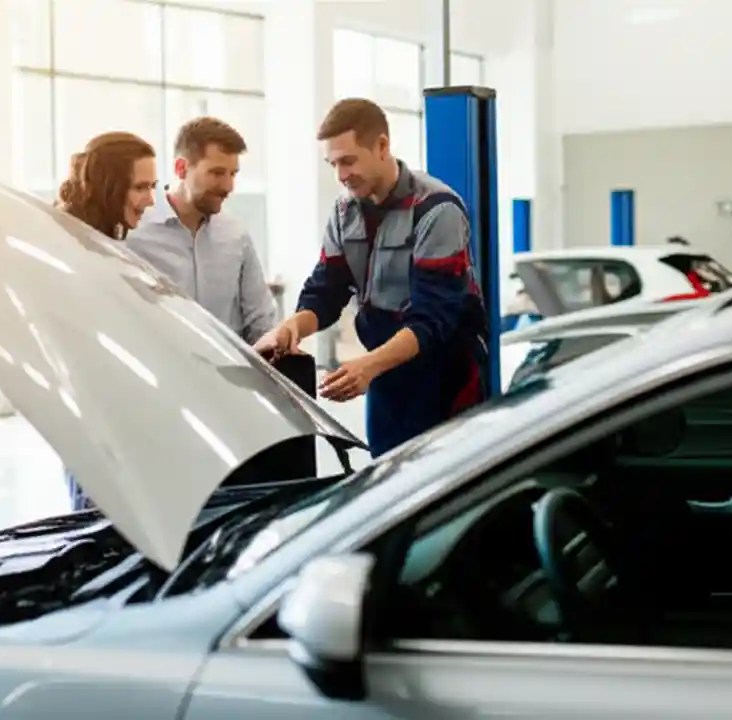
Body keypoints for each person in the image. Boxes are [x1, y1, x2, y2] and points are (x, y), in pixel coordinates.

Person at [254, 98, 489, 458]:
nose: (341, 175)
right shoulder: (344, 210)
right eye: (332, 164)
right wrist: (291, 329)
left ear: (382, 146)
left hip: (446, 380)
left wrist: (366, 367)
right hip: (387, 376)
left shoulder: (437, 209)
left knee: (445, 490)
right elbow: (327, 289)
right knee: (389, 483)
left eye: (348, 161)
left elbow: (432, 319)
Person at [53, 130, 158, 511]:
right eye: (140, 187)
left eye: (153, 186)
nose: (150, 199)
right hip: (97, 425)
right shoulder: (72, 248)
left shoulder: (105, 244)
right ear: (111, 186)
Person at [125, 117, 277, 343]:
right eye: (217, 173)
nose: (228, 186)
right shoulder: (134, 233)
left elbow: (261, 322)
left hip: (226, 375)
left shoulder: (236, 235)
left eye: (232, 174)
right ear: (181, 168)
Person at [55, 130, 159, 240]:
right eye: (139, 188)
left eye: (153, 186)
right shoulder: (66, 241)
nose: (151, 201)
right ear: (107, 186)